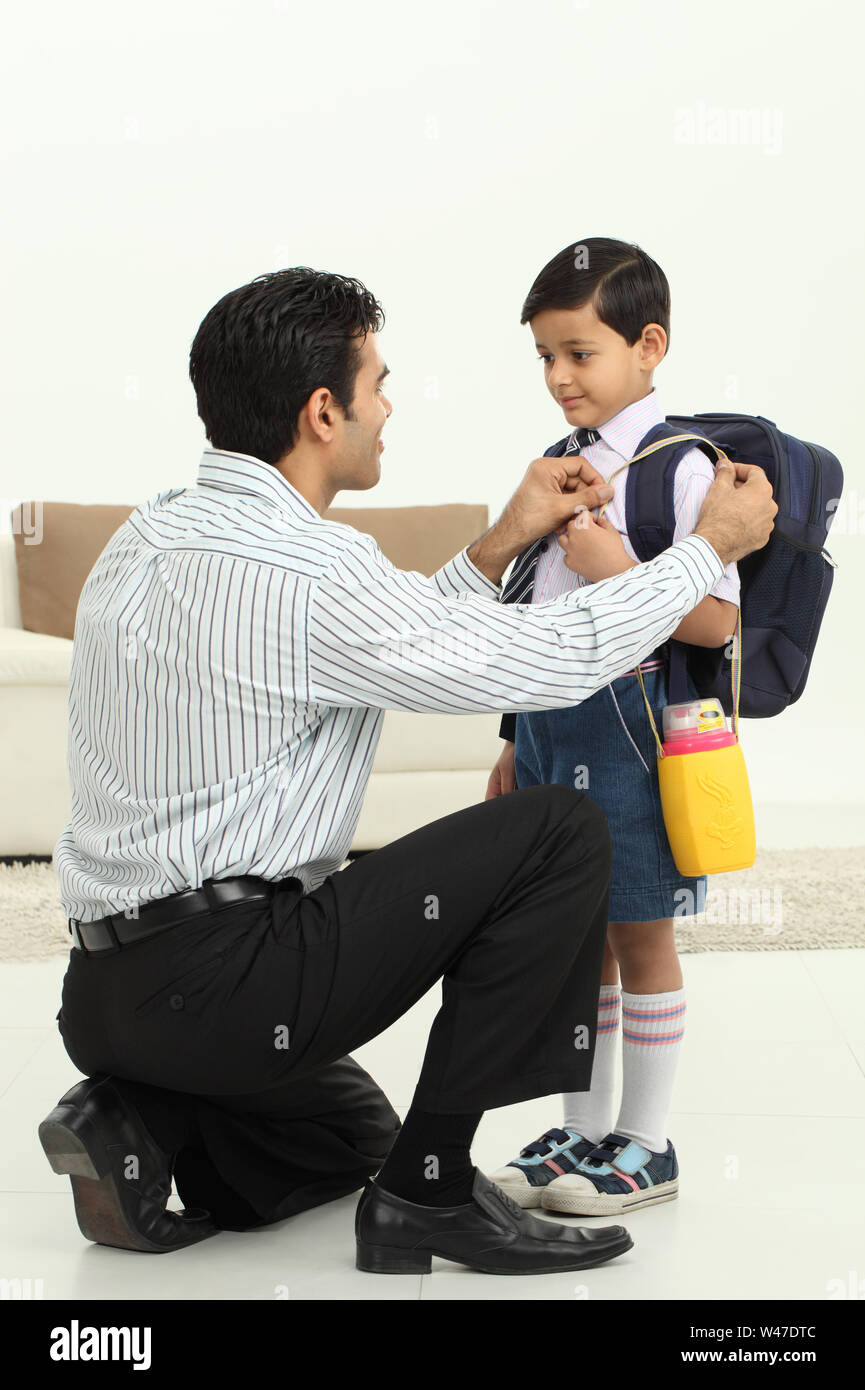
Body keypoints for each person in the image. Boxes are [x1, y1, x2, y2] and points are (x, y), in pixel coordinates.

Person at [38, 266, 776, 1277]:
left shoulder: (149, 531)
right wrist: (702, 551)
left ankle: (138, 1113)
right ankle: (426, 1196)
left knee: (351, 1140)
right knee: (557, 828)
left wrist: (502, 539)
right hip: (232, 979)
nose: (390, 406)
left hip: (105, 995)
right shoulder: (312, 569)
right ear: (321, 409)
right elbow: (546, 660)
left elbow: (373, 641)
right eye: (378, 383)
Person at [486, 237, 741, 1217]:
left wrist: (611, 565)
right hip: (553, 721)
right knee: (574, 935)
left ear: (648, 345)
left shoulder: (680, 468)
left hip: (634, 728)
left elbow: (714, 622)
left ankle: (646, 1143)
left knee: (636, 927)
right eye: (544, 356)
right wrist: (513, 738)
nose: (557, 376)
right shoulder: (554, 464)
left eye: (578, 353)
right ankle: (582, 1131)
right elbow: (529, 606)